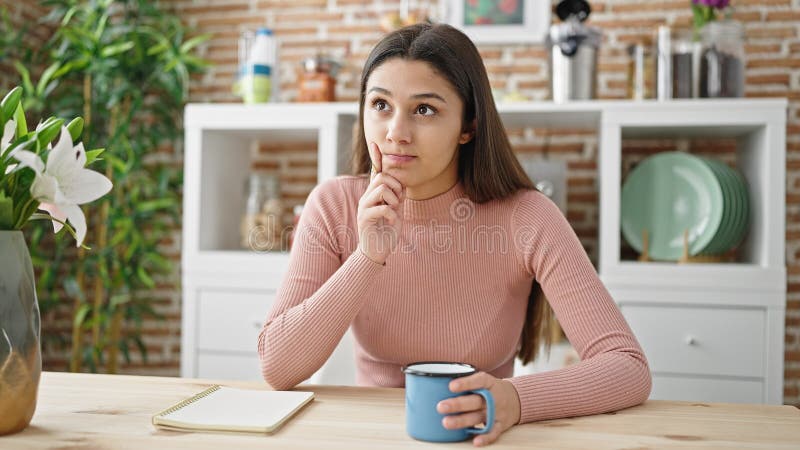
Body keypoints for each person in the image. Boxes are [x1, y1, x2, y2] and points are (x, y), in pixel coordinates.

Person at [258, 23, 651, 446]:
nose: (396, 132)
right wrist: (368, 255)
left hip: (480, 438)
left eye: (424, 109)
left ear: (469, 126)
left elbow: (627, 366)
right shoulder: (333, 205)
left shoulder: (529, 217)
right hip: (367, 438)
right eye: (380, 104)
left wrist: (516, 400)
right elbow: (278, 367)